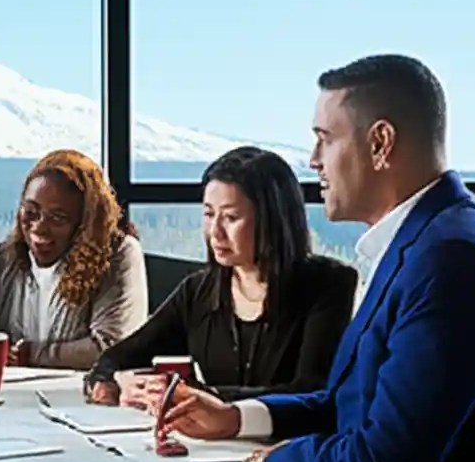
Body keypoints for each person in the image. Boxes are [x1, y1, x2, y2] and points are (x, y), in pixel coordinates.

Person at [161, 55, 475, 462]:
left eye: (324, 138)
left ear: (380, 143)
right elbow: (345, 404)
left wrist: (273, 460)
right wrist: (236, 419)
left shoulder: (453, 260)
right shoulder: (427, 240)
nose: (313, 160)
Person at [84, 146, 355, 407]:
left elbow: (311, 391)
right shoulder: (198, 291)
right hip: (208, 448)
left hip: (291, 447)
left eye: (231, 217)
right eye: (208, 214)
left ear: (274, 220)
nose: (215, 232)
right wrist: (115, 383)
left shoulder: (328, 285)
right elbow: (115, 359)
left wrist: (203, 397)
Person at [0, 149, 148, 370]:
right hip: (7, 403)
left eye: (58, 218)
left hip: (83, 403)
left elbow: (111, 348)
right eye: (31, 212)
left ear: (84, 224)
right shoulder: (2, 260)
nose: (40, 228)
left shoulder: (117, 255)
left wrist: (26, 355)